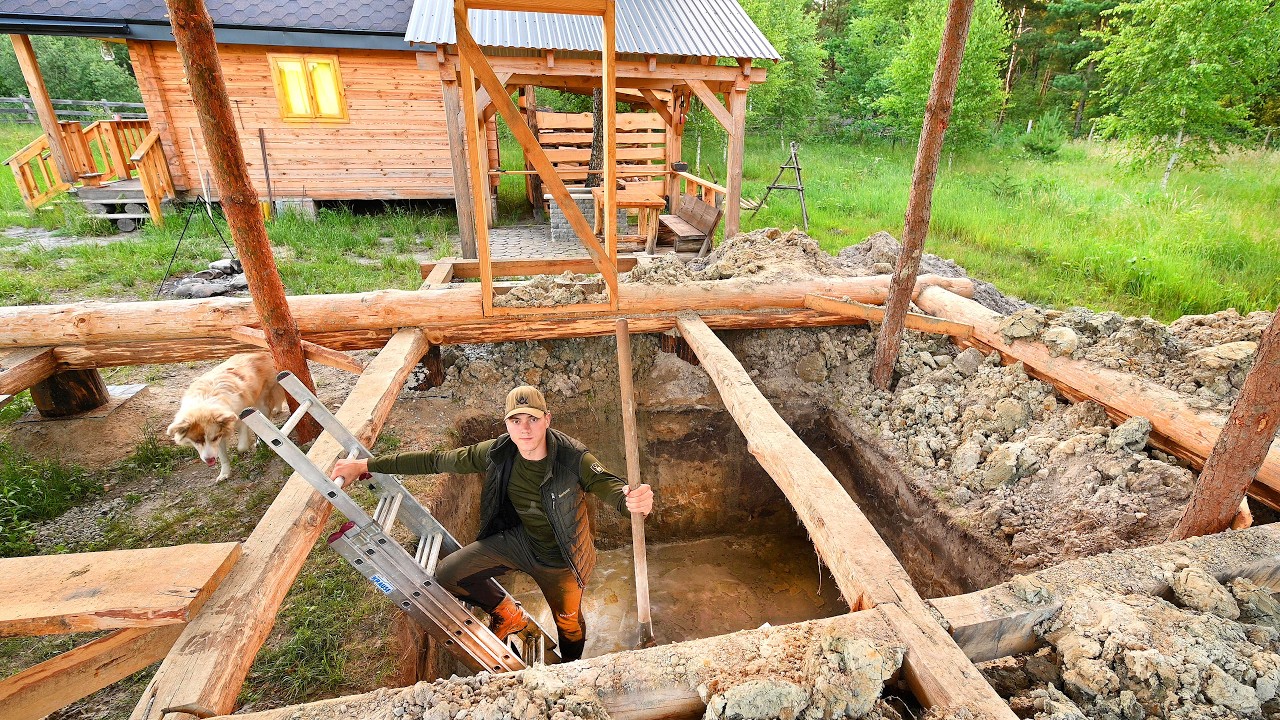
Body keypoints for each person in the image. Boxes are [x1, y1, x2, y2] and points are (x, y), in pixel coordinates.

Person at [331, 385, 653, 663]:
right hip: (519, 542)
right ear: (506, 423)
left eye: (533, 419)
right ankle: (506, 613)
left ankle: (571, 668)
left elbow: (612, 488)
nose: (524, 429)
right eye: (516, 420)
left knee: (568, 625)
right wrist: (366, 464)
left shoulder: (573, 458)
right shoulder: (499, 452)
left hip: (561, 560)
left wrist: (633, 500)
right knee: (448, 574)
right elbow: (436, 460)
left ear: (547, 420)